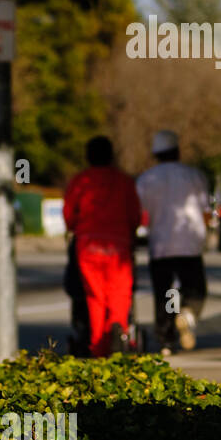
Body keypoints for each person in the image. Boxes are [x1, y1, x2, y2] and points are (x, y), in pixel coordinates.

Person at [63, 136, 142, 357]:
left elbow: (69, 216)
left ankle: (98, 344)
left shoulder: (80, 181)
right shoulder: (124, 182)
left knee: (95, 297)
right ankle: (118, 328)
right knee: (119, 293)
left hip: (88, 245)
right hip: (118, 245)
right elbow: (135, 216)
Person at [137, 130, 210, 355]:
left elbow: (140, 214)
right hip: (190, 243)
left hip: (160, 244)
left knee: (165, 293)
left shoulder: (146, 179)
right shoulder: (194, 175)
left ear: (155, 154)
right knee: (195, 289)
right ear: (177, 151)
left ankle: (166, 341)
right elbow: (206, 211)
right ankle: (187, 312)